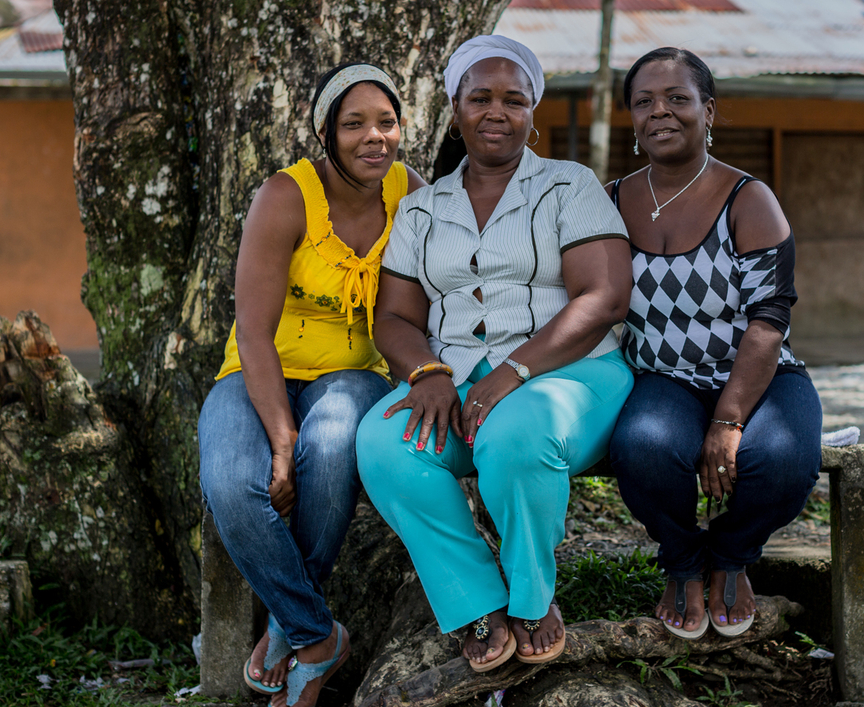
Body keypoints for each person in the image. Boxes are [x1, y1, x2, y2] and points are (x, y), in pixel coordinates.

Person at [355, 35, 633, 672]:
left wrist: (512, 372)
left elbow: (604, 298)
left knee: (515, 437)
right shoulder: (422, 210)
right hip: (455, 382)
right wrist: (426, 373)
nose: (496, 112)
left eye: (514, 99)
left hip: (573, 375)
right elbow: (393, 316)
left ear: (533, 111)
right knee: (383, 443)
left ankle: (533, 597)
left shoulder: (568, 186)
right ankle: (476, 598)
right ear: (456, 111)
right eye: (480, 98)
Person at [198, 62, 425, 707]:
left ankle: (287, 628)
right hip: (258, 368)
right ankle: (317, 634)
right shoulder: (286, 196)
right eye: (354, 124)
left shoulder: (411, 192)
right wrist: (279, 439)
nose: (373, 137)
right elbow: (253, 332)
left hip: (355, 374)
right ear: (325, 133)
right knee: (231, 485)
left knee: (327, 452)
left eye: (386, 122)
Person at [605, 48, 822, 640]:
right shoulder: (608, 201)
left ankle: (730, 556)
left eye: (677, 98)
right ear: (632, 117)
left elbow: (769, 321)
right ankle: (683, 562)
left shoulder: (748, 199)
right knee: (643, 447)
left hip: (759, 376)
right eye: (644, 101)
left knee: (783, 460)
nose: (660, 111)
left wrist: (728, 421)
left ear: (708, 109)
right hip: (663, 378)